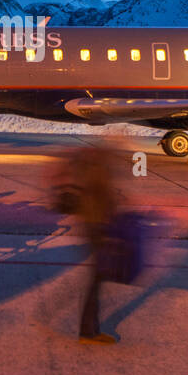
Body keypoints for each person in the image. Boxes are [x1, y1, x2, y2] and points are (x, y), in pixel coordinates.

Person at [47, 147, 124, 343]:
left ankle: (79, 324)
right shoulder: (97, 169)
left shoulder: (91, 166)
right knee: (98, 277)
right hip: (96, 225)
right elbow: (99, 199)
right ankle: (87, 331)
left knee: (97, 277)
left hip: (94, 224)